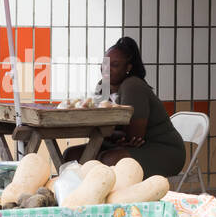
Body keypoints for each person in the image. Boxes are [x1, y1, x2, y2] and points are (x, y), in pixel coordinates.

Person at [64, 37, 186, 177]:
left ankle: (105, 198)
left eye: (114, 65)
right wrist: (115, 135)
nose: (106, 69)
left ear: (128, 68)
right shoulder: (102, 86)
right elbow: (100, 126)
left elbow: (134, 137)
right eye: (105, 63)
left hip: (163, 151)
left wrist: (113, 135)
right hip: (123, 146)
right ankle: (74, 196)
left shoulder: (133, 86)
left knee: (109, 160)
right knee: (71, 155)